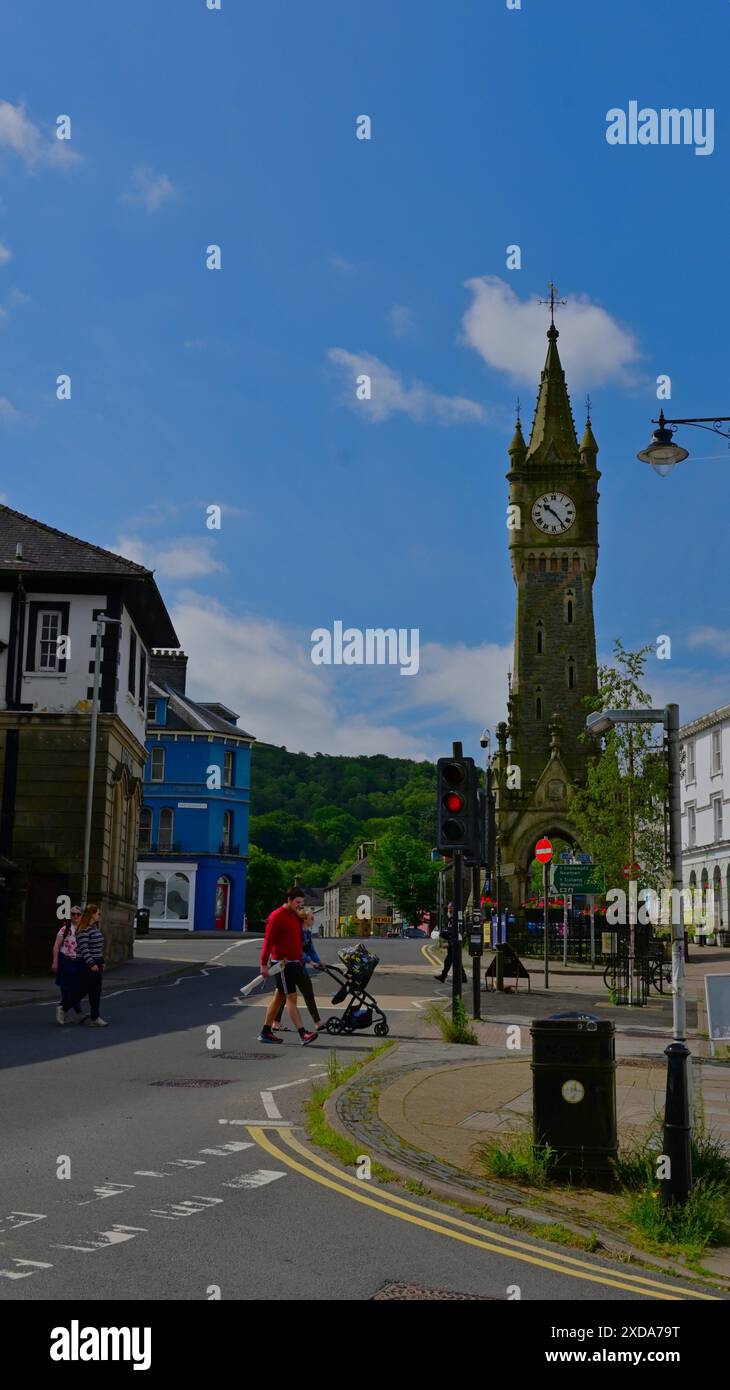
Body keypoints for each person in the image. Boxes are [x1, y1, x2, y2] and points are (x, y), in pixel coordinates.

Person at [258, 888, 317, 1046]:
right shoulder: (276, 916)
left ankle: (265, 1031)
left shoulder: (294, 916)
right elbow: (268, 941)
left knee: (279, 997)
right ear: (289, 900)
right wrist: (263, 964)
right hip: (282, 963)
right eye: (297, 902)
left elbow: (296, 939)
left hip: (294, 962)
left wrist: (300, 959)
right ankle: (303, 1033)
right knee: (291, 997)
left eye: (301, 903)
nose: (299, 906)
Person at [272, 907, 325, 1032]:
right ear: (305, 919)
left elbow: (310, 949)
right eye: (312, 917)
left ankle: (317, 1022)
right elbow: (298, 951)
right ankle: (275, 1022)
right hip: (289, 965)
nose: (314, 919)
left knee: (308, 992)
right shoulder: (298, 932)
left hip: (299, 967)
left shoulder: (307, 932)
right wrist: (310, 961)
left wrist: (318, 961)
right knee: (284, 995)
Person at [51, 905, 88, 1025]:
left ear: (82, 916)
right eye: (73, 914)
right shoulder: (65, 929)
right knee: (66, 989)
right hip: (65, 960)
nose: (75, 916)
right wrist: (55, 962)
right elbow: (56, 946)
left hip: (78, 961)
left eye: (78, 914)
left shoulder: (85, 929)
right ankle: (77, 1013)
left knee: (77, 989)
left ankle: (64, 1009)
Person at [75, 903, 108, 1027]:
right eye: (98, 913)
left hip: (97, 962)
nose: (99, 915)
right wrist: (91, 963)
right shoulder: (83, 929)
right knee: (84, 990)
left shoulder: (94, 928)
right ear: (92, 915)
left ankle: (95, 1018)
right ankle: (64, 1005)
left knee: (96, 991)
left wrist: (102, 961)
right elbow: (84, 948)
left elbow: (98, 947)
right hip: (88, 964)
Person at [434, 901, 467, 983]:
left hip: (454, 942)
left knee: (449, 961)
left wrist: (443, 934)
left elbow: (454, 931)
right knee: (456, 961)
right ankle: (463, 977)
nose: (448, 909)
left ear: (453, 908)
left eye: (450, 907)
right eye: (448, 907)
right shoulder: (451, 917)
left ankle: (443, 976)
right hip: (452, 942)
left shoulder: (455, 918)